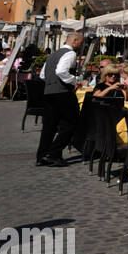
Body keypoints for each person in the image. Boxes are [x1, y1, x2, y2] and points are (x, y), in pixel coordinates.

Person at [36, 31, 84, 167]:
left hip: (49, 92)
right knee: (71, 123)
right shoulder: (70, 53)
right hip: (63, 92)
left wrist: (52, 83)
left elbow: (43, 75)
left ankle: (41, 155)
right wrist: (74, 81)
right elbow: (61, 71)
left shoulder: (53, 54)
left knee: (49, 126)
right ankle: (54, 153)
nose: (80, 45)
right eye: (80, 42)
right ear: (74, 41)